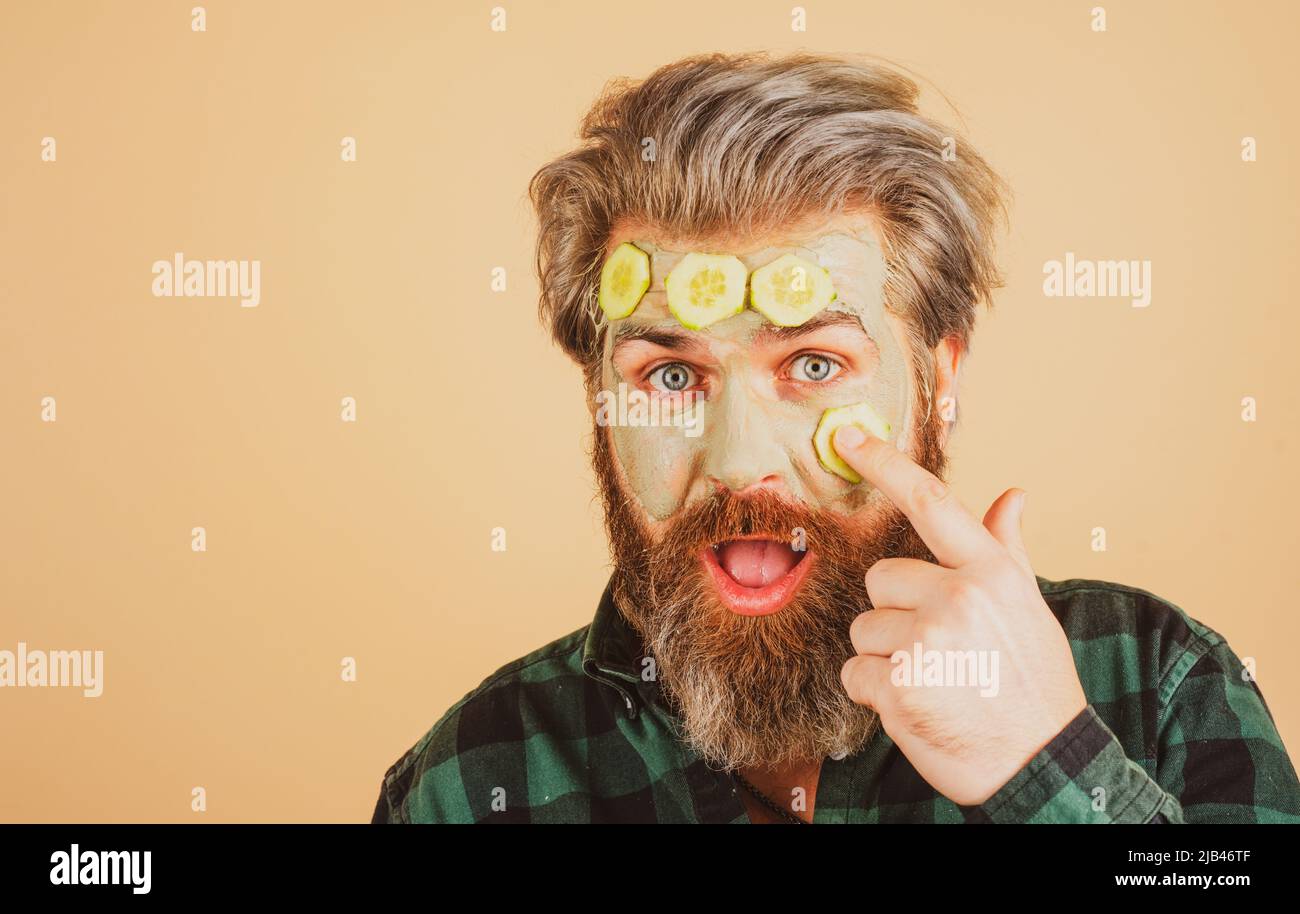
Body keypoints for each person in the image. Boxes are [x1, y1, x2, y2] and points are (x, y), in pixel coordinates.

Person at [371, 51, 1299, 824]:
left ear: (940, 380)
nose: (738, 460)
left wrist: (1044, 765)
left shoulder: (1161, 688)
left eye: (813, 365)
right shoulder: (464, 784)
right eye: (671, 376)